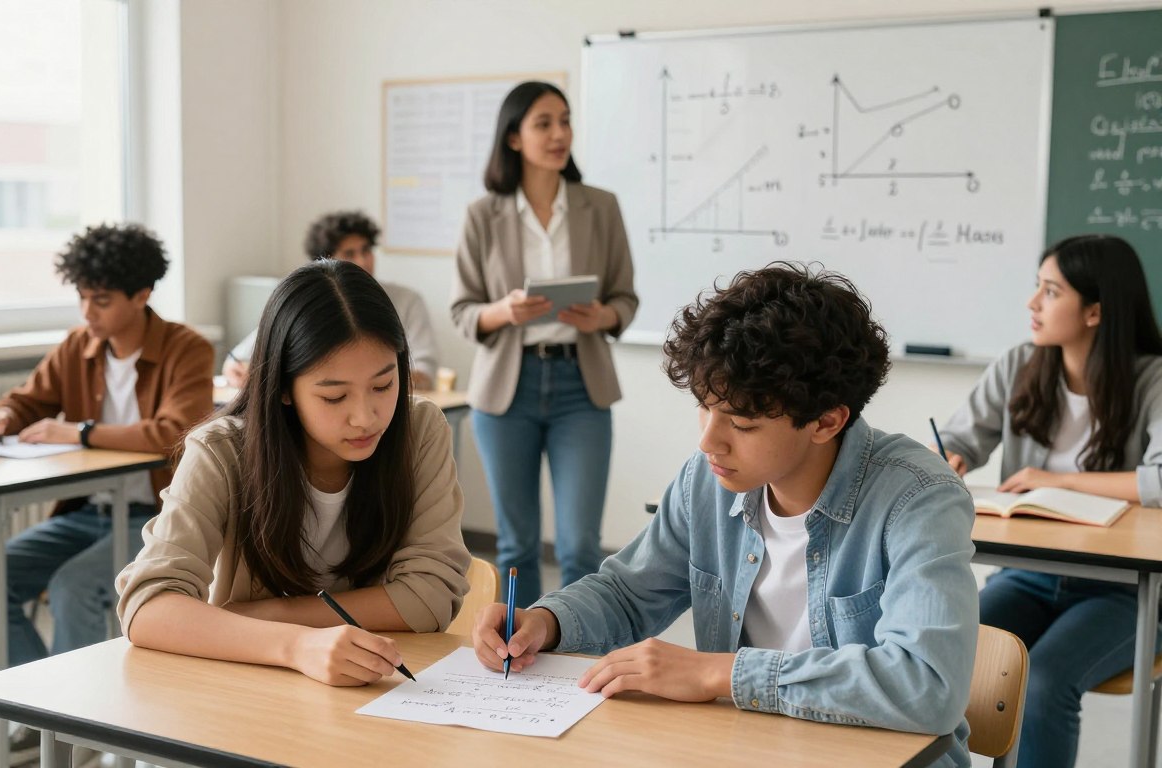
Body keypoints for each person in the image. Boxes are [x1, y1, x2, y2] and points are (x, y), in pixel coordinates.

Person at [474, 263, 978, 768]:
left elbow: (926, 686)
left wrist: (720, 673)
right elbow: (629, 593)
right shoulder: (707, 480)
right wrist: (544, 621)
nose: (708, 441)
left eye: (741, 423)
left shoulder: (919, 496)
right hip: (744, 749)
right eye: (703, 407)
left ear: (826, 421)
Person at [117, 259, 470, 686]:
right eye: (334, 396)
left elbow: (430, 599)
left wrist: (270, 613)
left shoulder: (418, 430)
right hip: (255, 687)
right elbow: (149, 607)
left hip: (379, 685)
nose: (366, 417)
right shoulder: (221, 451)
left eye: (383, 385)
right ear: (283, 388)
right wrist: (298, 645)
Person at [0, 223, 213, 767]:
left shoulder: (185, 348)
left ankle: (80, 726)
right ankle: (41, 714)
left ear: (142, 296)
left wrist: (80, 432)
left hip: (157, 520)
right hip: (88, 514)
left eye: (100, 299)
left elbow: (177, 430)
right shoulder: (80, 345)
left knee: (73, 585)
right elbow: (28, 400)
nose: (87, 311)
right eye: (81, 297)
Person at [937, 234, 1162, 768]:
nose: (1032, 304)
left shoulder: (1152, 377)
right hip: (1027, 575)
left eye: (1050, 291)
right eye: (1036, 287)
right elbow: (959, 440)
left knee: (1042, 685)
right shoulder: (1020, 364)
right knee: (944, 659)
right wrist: (946, 458)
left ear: (1094, 311)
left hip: (1126, 592)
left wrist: (1058, 481)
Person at [450, 81, 637, 606]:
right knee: (517, 545)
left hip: (582, 383)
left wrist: (603, 314)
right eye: (543, 123)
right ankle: (519, 653)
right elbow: (463, 312)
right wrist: (503, 311)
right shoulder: (482, 215)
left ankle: (579, 654)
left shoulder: (600, 206)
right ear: (513, 137)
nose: (559, 134)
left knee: (579, 545)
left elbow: (626, 298)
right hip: (508, 389)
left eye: (565, 120)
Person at [223, 210, 440, 391]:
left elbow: (425, 371)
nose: (363, 260)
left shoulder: (407, 300)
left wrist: (378, 382)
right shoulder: (307, 301)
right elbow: (237, 358)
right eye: (350, 253)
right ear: (327, 260)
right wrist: (235, 369)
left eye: (366, 250)